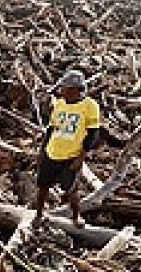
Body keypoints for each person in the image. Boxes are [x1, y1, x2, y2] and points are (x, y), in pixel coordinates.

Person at [33, 70, 101, 228]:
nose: (61, 91)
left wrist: (82, 157)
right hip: (52, 152)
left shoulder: (90, 106)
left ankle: (76, 217)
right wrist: (42, 151)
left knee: (71, 189)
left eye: (64, 88)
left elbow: (92, 134)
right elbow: (51, 129)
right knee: (43, 186)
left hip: (71, 155)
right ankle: (38, 214)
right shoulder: (60, 104)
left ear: (74, 89)